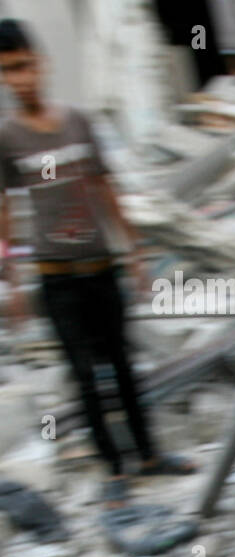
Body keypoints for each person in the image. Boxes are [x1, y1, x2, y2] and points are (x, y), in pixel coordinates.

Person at [0, 19, 194, 506]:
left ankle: (149, 455)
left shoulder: (77, 122)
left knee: (124, 366)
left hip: (101, 268)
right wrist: (13, 276)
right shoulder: (8, 138)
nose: (19, 80)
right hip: (55, 277)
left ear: (41, 64)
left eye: (24, 66)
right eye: (8, 72)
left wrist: (133, 253)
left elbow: (104, 186)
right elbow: (4, 203)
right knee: (85, 376)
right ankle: (113, 470)